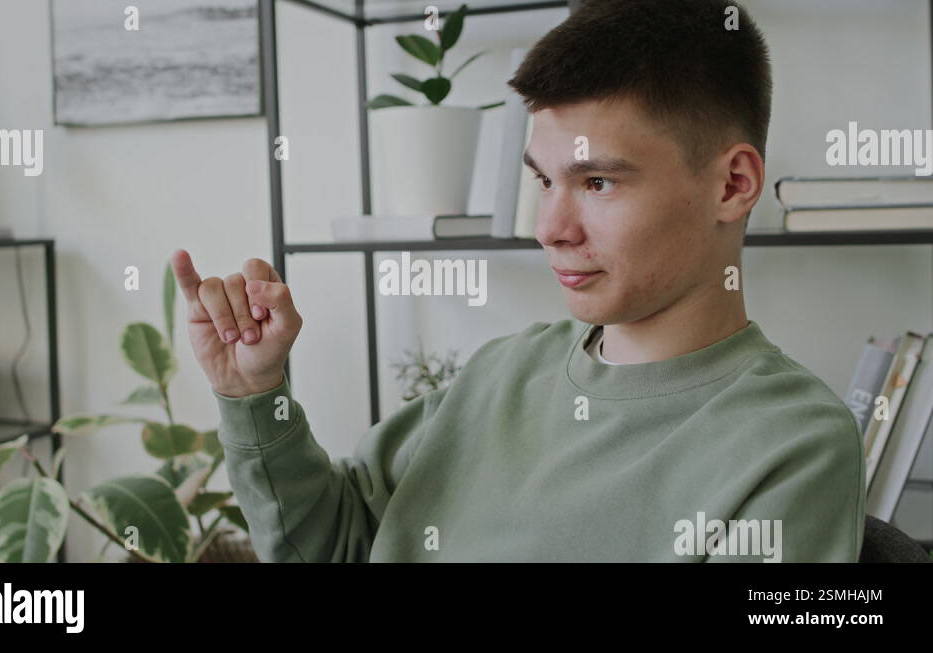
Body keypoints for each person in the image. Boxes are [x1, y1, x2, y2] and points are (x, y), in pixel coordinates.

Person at [171, 0, 865, 562]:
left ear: (732, 184)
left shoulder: (792, 445)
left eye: (597, 181)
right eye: (541, 180)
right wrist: (254, 395)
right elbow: (329, 546)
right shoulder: (500, 372)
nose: (549, 227)